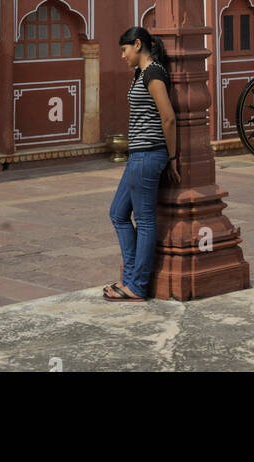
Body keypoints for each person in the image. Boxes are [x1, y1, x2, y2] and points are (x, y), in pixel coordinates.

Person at [104, 27, 180, 301]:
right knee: (118, 213)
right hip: (139, 155)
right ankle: (131, 278)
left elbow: (168, 117)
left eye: (125, 50)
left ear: (138, 44)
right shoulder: (140, 74)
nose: (123, 56)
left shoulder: (153, 73)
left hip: (149, 154)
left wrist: (171, 158)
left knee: (145, 220)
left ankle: (136, 285)